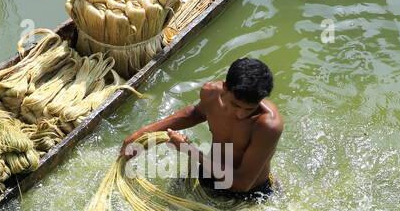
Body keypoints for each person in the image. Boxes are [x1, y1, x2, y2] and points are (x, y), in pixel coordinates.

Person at [119, 57, 282, 200]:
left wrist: (189, 150)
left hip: (248, 194)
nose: (240, 114)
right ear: (225, 87)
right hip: (208, 172)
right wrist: (143, 134)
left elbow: (242, 183)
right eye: (235, 105)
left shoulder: (268, 125)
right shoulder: (210, 93)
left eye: (249, 109)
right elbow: (195, 114)